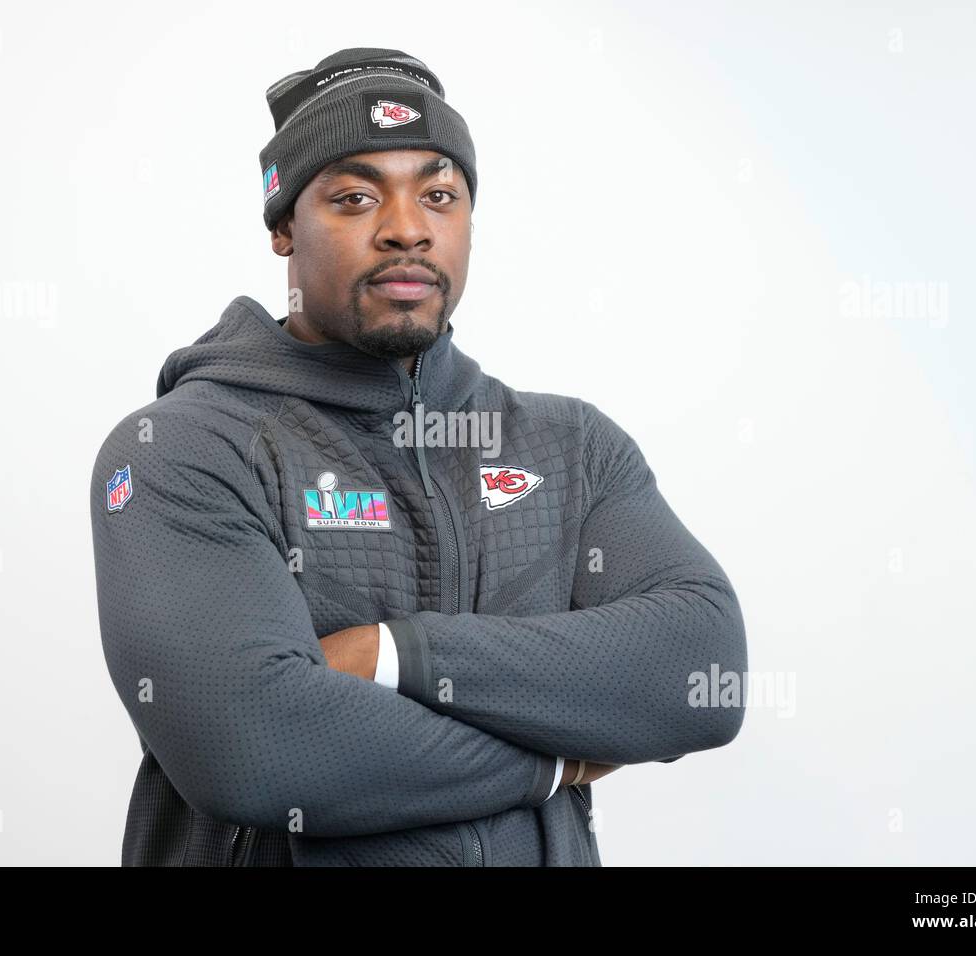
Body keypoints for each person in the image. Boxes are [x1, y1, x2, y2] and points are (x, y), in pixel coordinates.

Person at [89, 47, 747, 867]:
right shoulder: (186, 448)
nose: (407, 227)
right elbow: (257, 747)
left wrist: (395, 655)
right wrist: (553, 761)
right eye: (356, 197)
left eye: (440, 194)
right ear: (283, 226)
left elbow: (701, 668)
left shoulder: (571, 446)